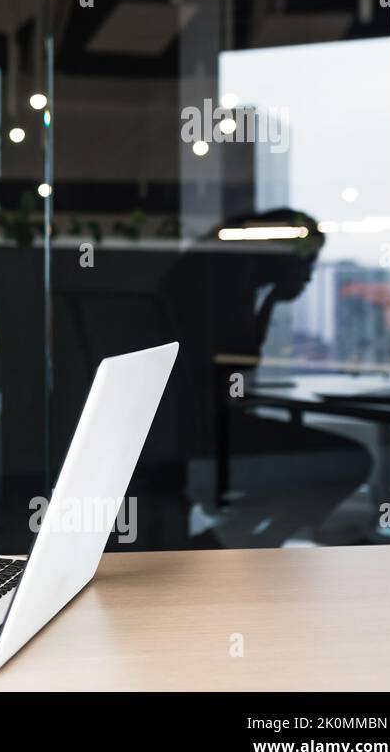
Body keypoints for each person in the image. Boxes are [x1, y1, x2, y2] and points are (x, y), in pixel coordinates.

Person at [157, 207, 374, 548]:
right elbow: (240, 358)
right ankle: (237, 537)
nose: (310, 273)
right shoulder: (222, 279)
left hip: (196, 427)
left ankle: (232, 537)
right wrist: (273, 298)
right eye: (306, 262)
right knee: (350, 461)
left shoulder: (216, 270)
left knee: (337, 460)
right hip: (201, 434)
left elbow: (235, 362)